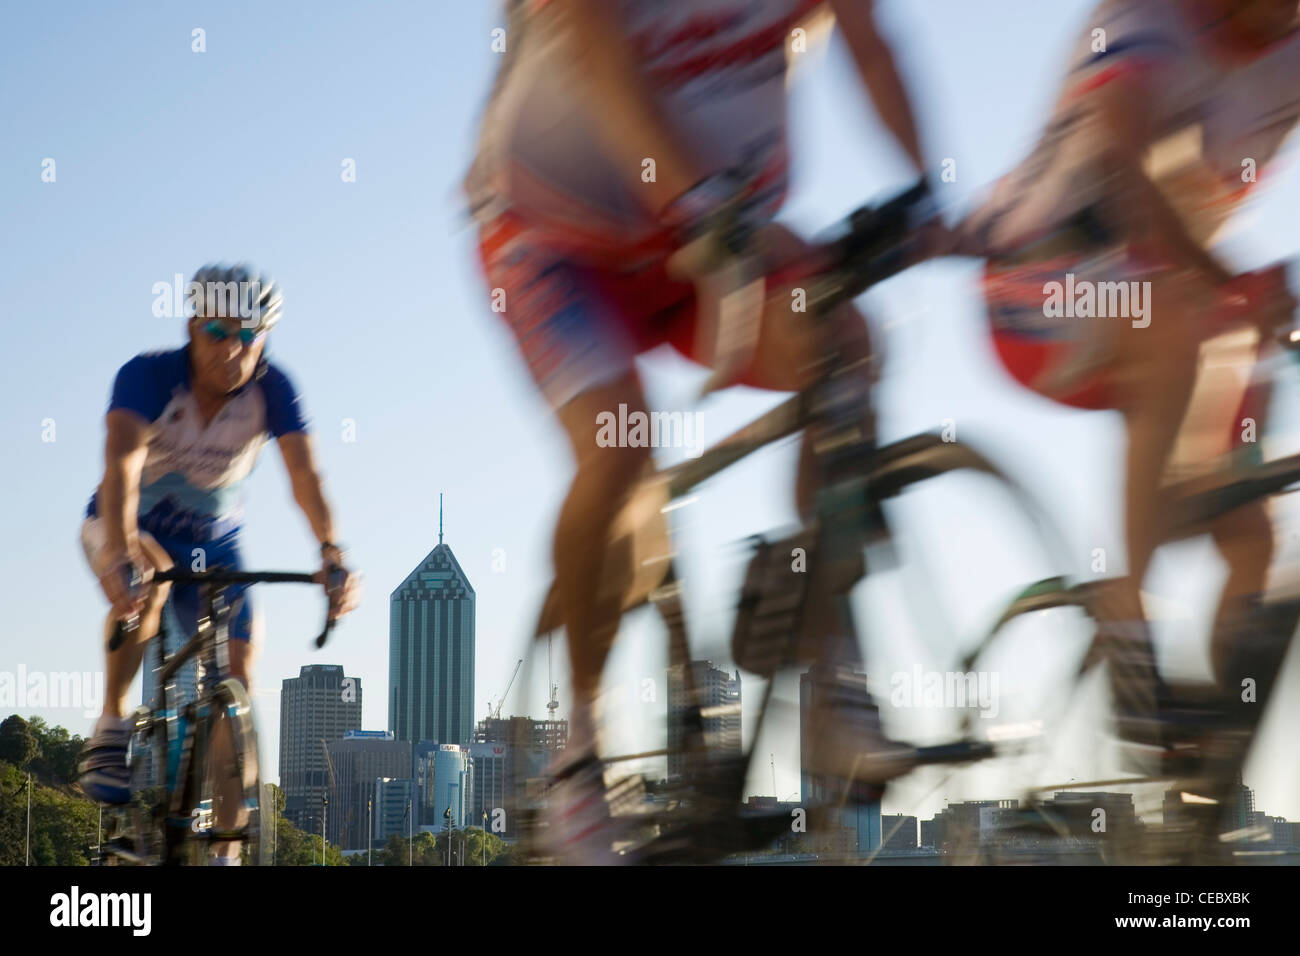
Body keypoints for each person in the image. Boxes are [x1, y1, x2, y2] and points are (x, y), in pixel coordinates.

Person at [465, 0, 942, 862]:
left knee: (848, 344)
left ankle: (827, 669)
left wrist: (923, 187)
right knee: (618, 442)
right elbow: (602, 59)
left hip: (710, 232)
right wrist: (699, 211)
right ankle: (579, 757)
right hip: (554, 239)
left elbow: (872, 46)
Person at [959, 0, 1300, 755]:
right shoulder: (1145, 18)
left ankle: (1205, 777)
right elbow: (1139, 192)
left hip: (1173, 296)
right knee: (1183, 329)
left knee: (1248, 531)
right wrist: (1236, 284)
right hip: (1037, 278)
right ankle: (1127, 625)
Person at [78, 263, 361, 861]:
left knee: (239, 682)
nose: (231, 347)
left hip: (215, 542)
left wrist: (331, 552)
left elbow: (305, 475)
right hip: (129, 521)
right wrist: (123, 543)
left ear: (264, 337)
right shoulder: (149, 376)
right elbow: (122, 463)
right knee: (145, 587)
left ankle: (227, 849)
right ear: (190, 325)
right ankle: (111, 724)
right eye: (216, 330)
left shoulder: (273, 388)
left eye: (247, 333)